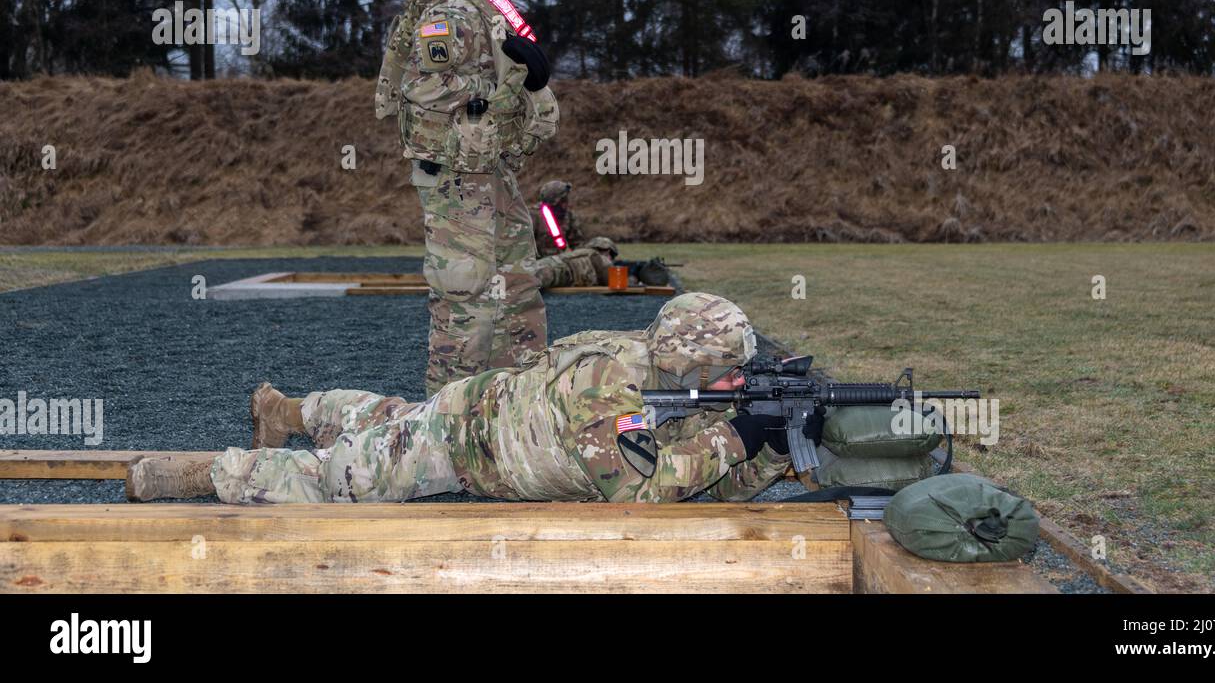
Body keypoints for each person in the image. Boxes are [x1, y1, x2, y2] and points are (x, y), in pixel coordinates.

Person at [125, 294, 814, 504]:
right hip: (463, 447)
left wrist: (771, 449)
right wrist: (738, 437)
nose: (737, 388)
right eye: (731, 375)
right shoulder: (608, 385)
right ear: (688, 361)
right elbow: (639, 497)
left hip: (482, 405)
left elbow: (708, 485)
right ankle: (193, 474)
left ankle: (284, 411)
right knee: (341, 475)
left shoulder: (671, 377)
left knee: (380, 415)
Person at [375, 0, 559, 396]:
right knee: (467, 305)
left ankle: (514, 412)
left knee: (517, 294)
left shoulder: (494, 9)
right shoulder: (454, 13)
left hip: (491, 175)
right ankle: (443, 429)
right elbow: (422, 87)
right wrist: (501, 92)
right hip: (458, 181)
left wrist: (523, 88)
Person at [534, 180, 584, 257]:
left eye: (566, 200)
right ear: (553, 202)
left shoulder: (568, 216)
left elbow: (577, 243)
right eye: (563, 201)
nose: (566, 204)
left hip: (560, 262)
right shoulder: (534, 217)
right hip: (539, 264)